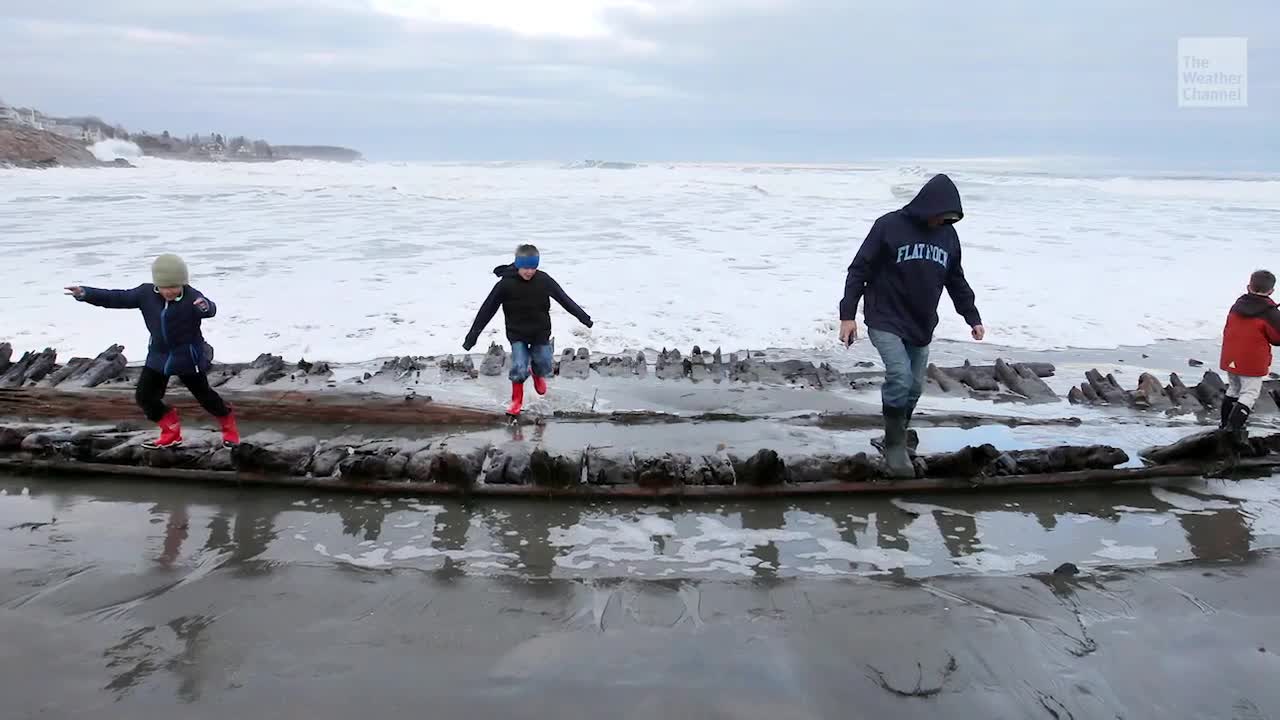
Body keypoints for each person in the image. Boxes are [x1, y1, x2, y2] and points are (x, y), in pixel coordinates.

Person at [838, 173, 985, 478]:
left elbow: (955, 279)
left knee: (915, 386)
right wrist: (848, 315)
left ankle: (893, 436)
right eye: (939, 217)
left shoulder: (947, 236)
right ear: (927, 206)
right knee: (900, 376)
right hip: (885, 317)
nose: (941, 223)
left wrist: (972, 316)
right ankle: (894, 447)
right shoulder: (889, 226)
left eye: (949, 219)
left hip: (921, 323)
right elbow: (858, 269)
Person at [64, 254, 239, 448]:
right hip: (158, 356)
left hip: (187, 358)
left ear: (183, 283)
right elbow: (116, 297)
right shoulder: (145, 294)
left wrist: (205, 307)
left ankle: (229, 426)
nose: (170, 292)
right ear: (157, 284)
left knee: (205, 397)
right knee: (144, 397)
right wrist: (85, 293)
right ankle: (171, 431)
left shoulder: (192, 296)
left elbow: (209, 309)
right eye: (165, 287)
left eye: (175, 287)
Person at [463, 244, 593, 416]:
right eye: (525, 267)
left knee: (545, 362)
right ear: (517, 264)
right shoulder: (505, 285)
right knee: (518, 365)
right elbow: (486, 310)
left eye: (533, 267)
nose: (529, 272)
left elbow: (564, 299)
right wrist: (472, 338)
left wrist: (584, 318)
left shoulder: (544, 280)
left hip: (540, 332)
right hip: (517, 333)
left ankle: (537, 373)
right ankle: (516, 400)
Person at [1219, 269, 1280, 443]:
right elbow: (1277, 338)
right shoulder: (1270, 312)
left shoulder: (1237, 305)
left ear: (1248, 286)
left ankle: (1224, 425)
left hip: (1230, 357)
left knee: (1234, 389)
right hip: (1251, 360)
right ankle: (1233, 430)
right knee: (1249, 393)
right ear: (1271, 291)